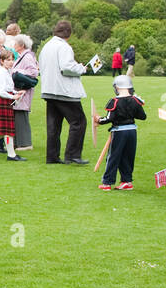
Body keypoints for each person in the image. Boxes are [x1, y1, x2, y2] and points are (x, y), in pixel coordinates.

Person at [38, 20, 88, 165]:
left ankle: (52, 156)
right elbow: (66, 67)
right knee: (78, 121)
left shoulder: (47, 46)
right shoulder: (64, 47)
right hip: (64, 91)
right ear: (69, 33)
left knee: (53, 125)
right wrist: (81, 68)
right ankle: (72, 155)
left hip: (49, 89)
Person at [96, 75, 145, 190]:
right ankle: (127, 181)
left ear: (117, 87)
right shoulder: (135, 101)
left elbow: (109, 118)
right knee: (128, 156)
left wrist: (98, 120)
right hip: (132, 131)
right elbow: (142, 116)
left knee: (113, 156)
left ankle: (107, 182)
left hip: (119, 132)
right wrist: (138, 105)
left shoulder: (115, 101)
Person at [11, 34, 39, 151]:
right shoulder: (22, 56)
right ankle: (18, 142)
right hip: (19, 91)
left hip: (23, 90)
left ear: (21, 45)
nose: (13, 46)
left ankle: (25, 143)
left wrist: (17, 72)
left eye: (15, 44)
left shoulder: (27, 57)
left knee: (21, 115)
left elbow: (33, 73)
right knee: (18, 115)